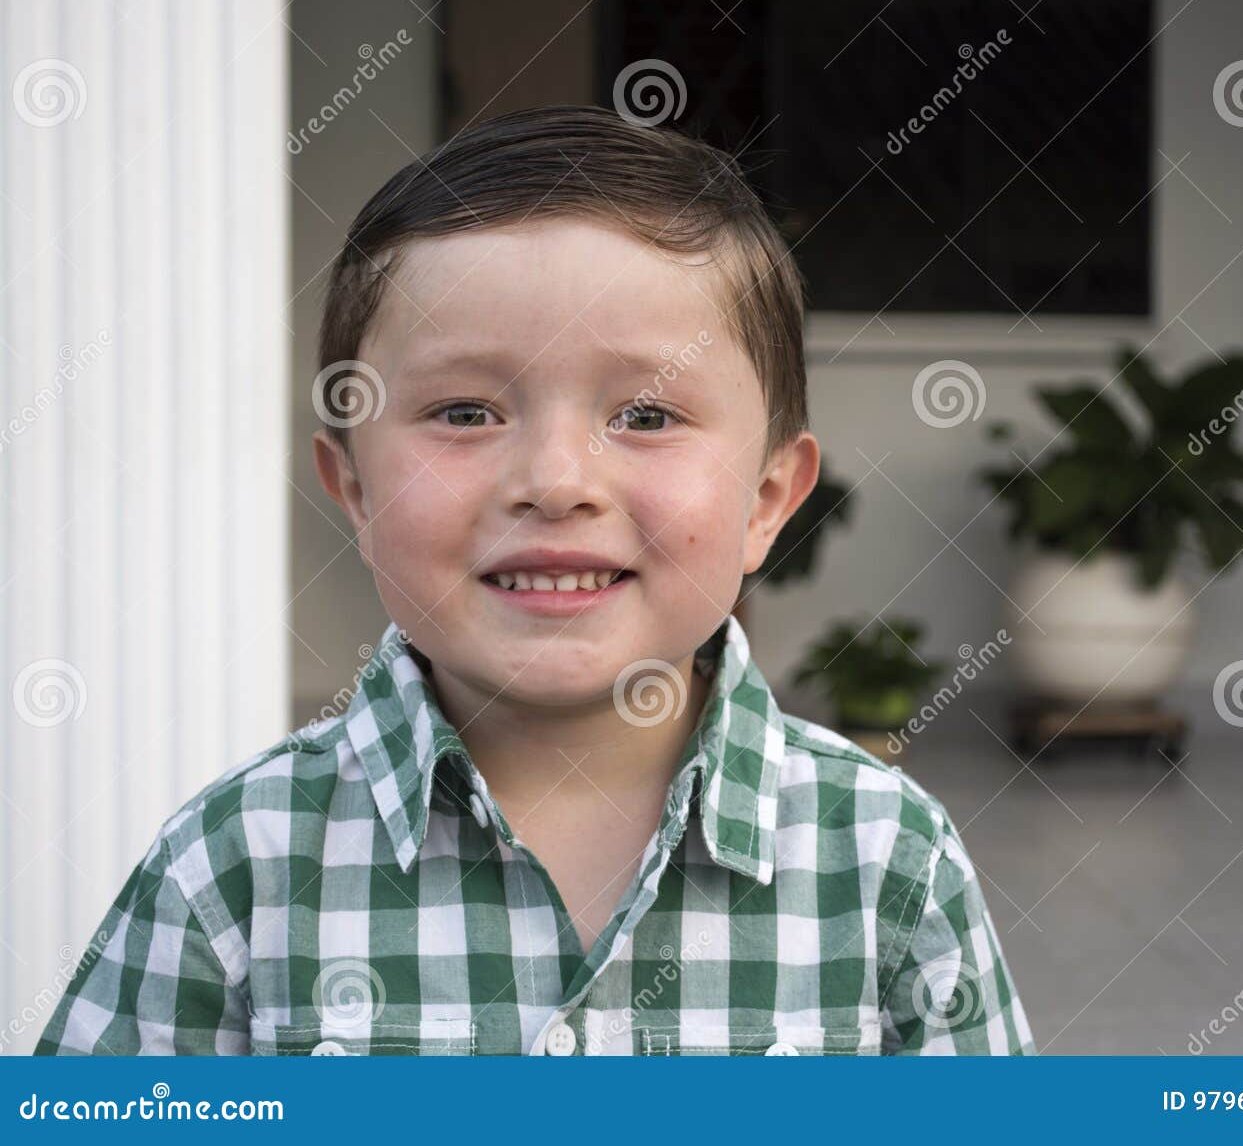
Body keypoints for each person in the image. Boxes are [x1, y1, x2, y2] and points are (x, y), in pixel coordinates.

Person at [35, 104, 1033, 1056]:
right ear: (355, 487)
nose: (555, 482)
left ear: (767, 498)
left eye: (644, 415)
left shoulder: (885, 861)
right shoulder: (236, 864)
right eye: (464, 412)